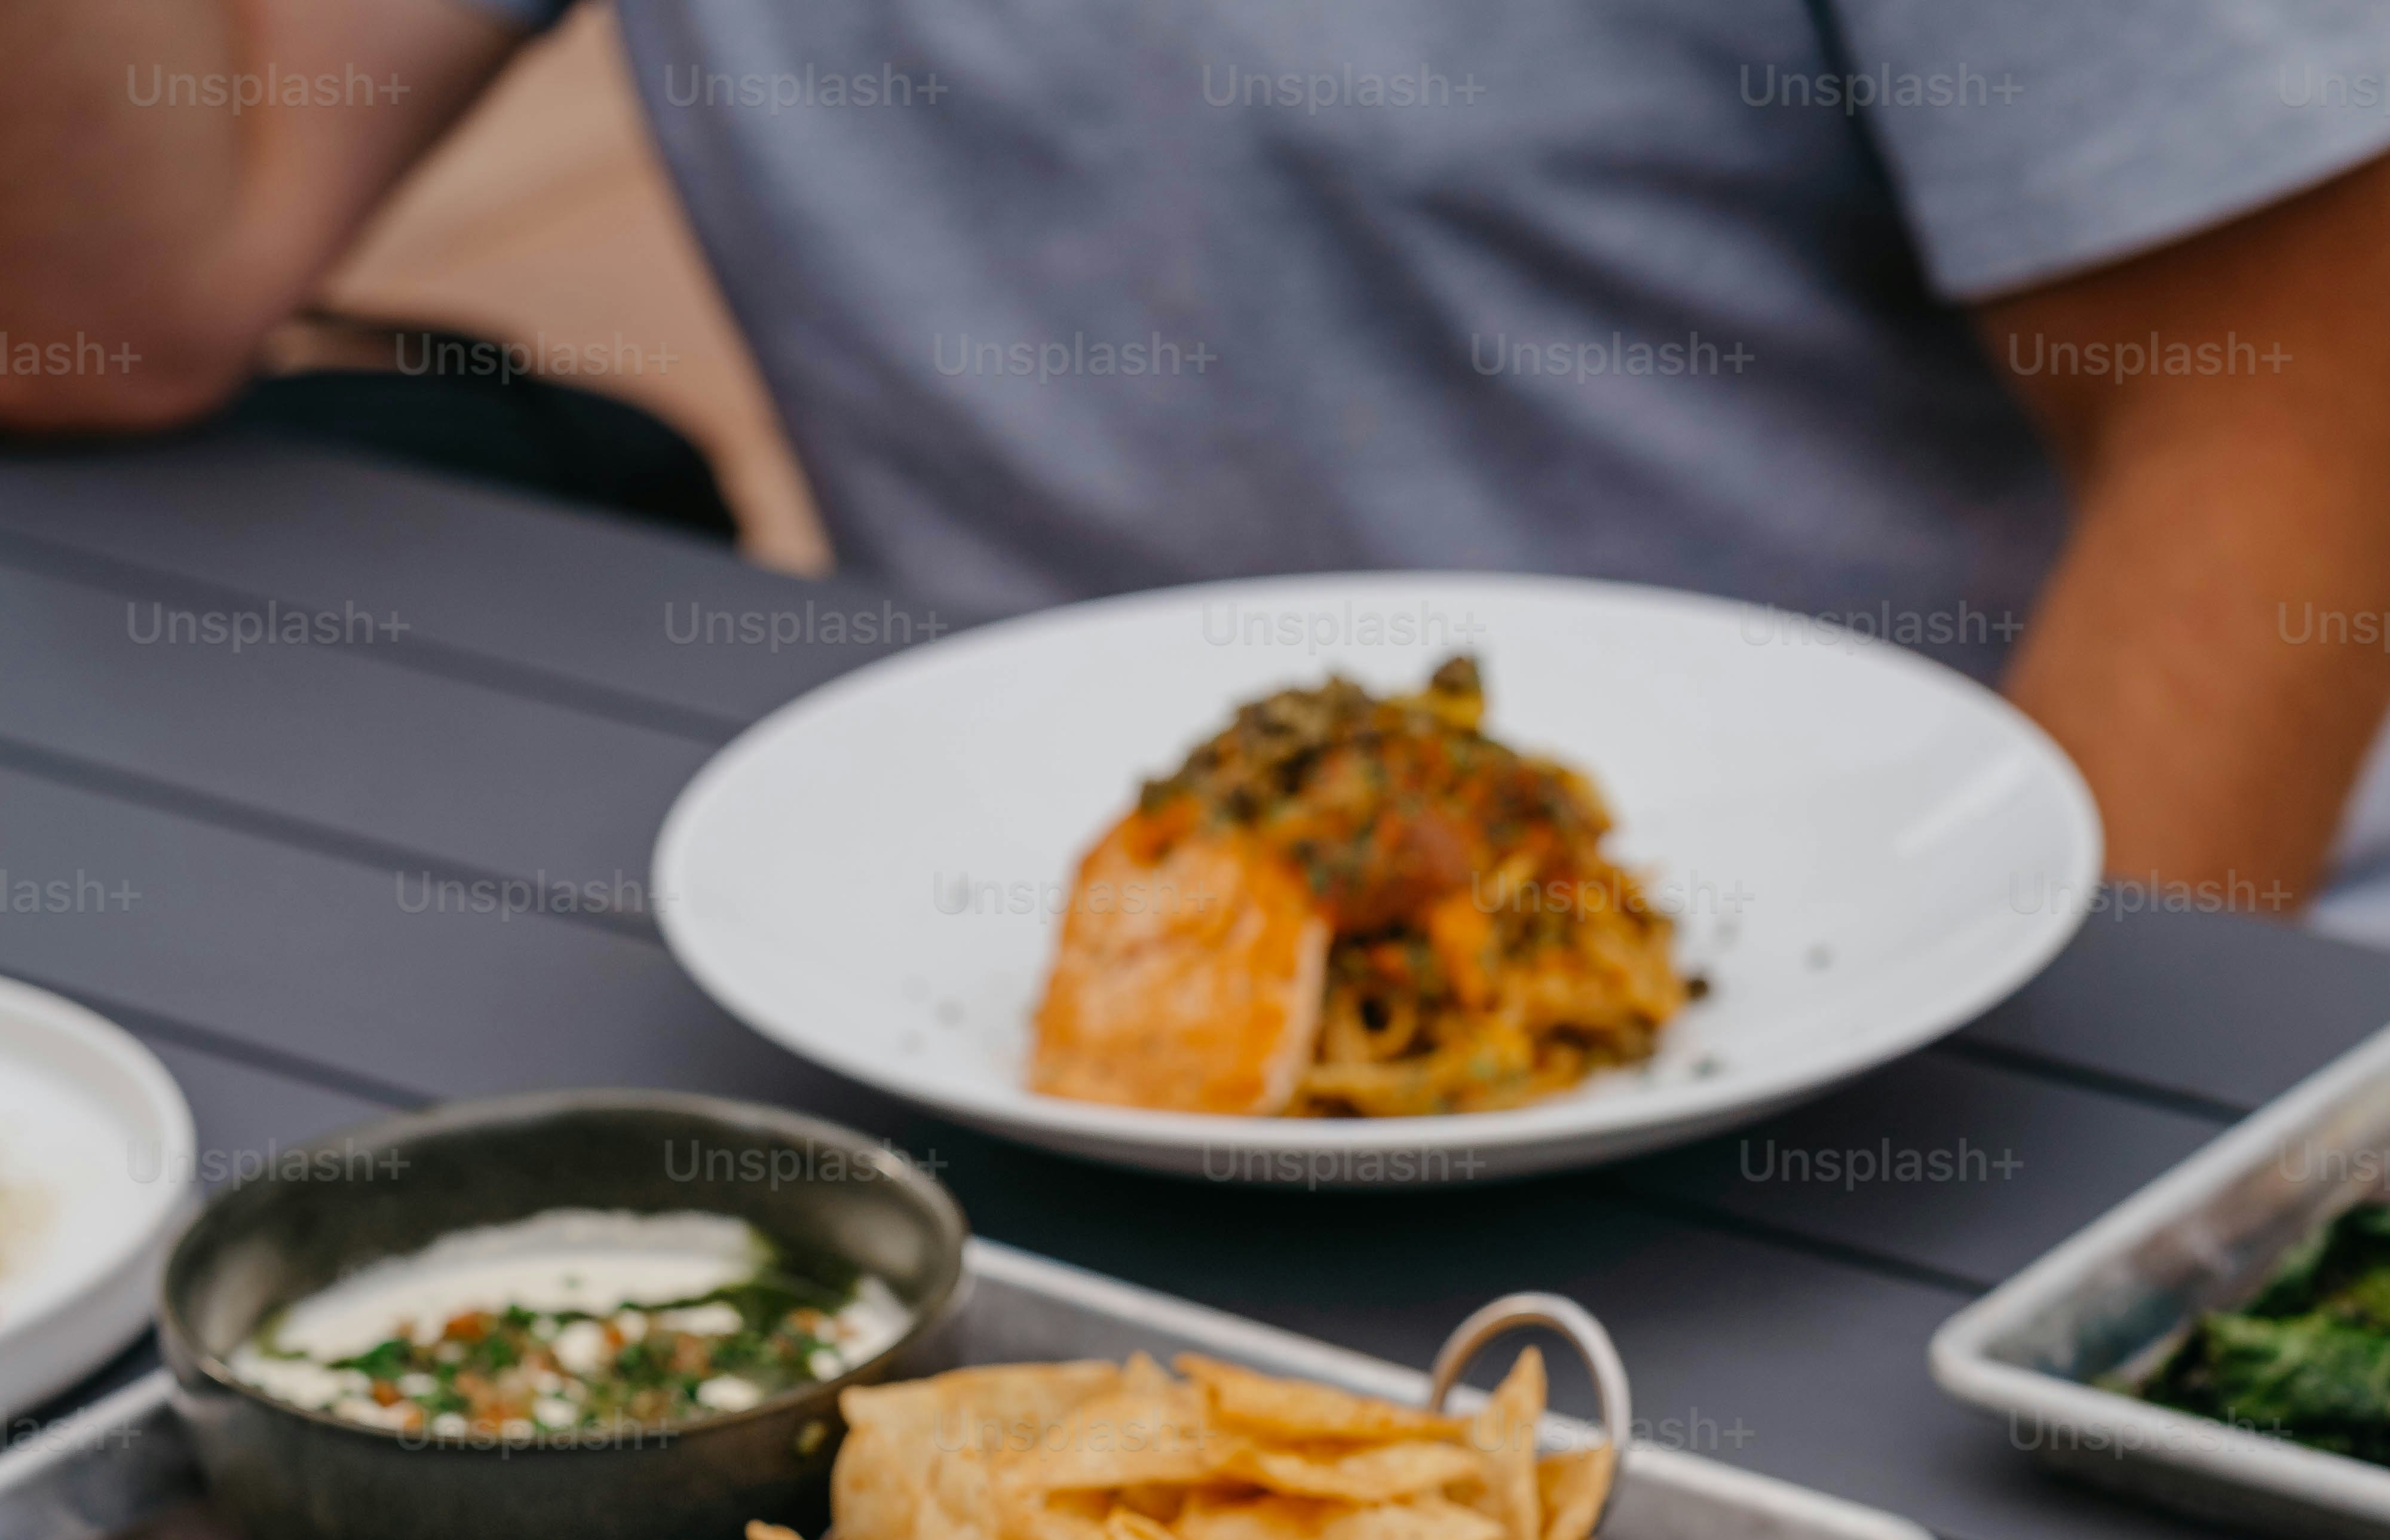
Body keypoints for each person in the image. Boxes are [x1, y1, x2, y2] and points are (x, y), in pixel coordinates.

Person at [10, 1, 2390, 925]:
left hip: (2012, 986)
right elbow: (126, 286)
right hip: (1080, 983)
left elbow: (2294, 425)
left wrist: (1972, 1208)